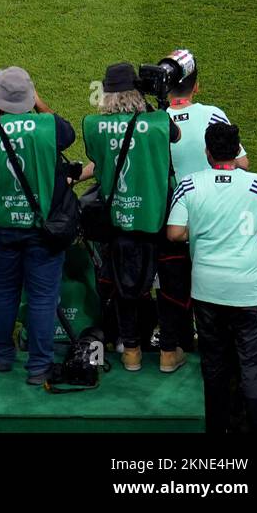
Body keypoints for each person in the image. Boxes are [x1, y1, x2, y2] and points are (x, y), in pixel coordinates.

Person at [167, 122, 257, 433]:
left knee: (214, 362)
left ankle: (217, 429)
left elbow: (174, 233)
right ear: (237, 151)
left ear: (207, 153)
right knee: (253, 367)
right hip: (249, 293)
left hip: (207, 291)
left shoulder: (190, 185)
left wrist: (204, 232)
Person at [79, 62, 189, 373]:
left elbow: (98, 163)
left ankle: (131, 352)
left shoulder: (92, 124)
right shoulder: (158, 122)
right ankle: (168, 351)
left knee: (124, 285)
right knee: (167, 286)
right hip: (159, 218)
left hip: (119, 219)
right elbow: (176, 135)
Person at [0, 66, 77, 384]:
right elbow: (68, 134)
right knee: (43, 297)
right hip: (41, 226)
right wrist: (38, 102)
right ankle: (38, 366)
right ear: (30, 97)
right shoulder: (48, 126)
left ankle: (2, 357)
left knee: (2, 291)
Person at [164, 49, 249, 178]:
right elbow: (243, 164)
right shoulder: (213, 115)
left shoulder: (156, 121)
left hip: (168, 197)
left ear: (165, 87)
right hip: (206, 196)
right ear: (196, 87)